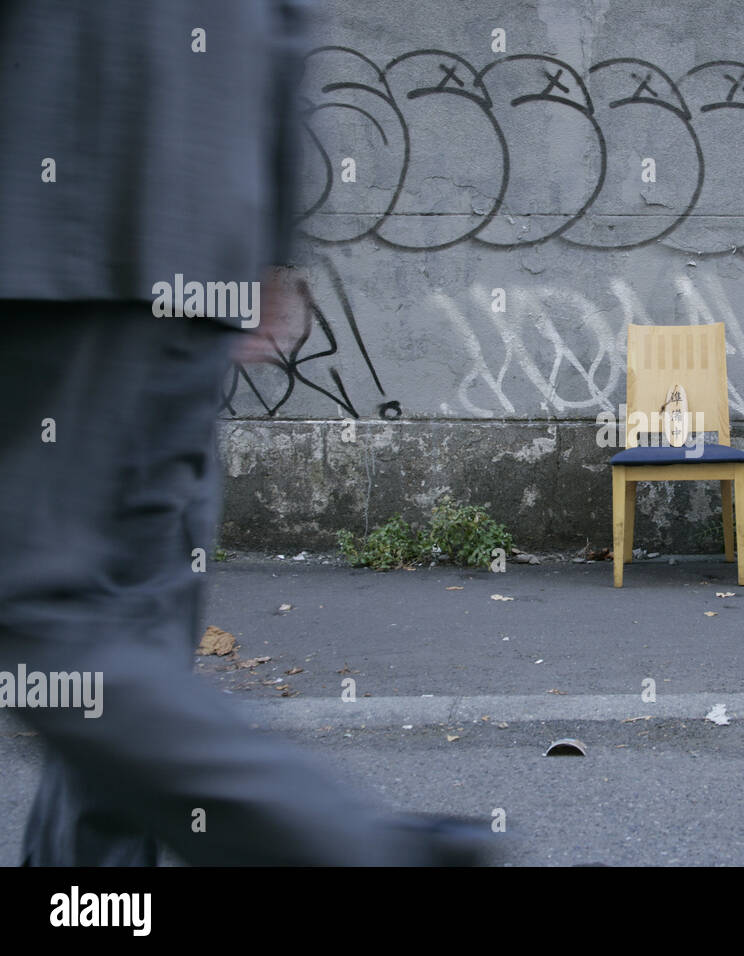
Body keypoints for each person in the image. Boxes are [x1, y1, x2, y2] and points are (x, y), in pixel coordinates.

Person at [0, 0, 486, 865]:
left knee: (41, 614)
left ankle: (350, 849)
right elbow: (282, 30)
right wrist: (261, 246)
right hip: (193, 241)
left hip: (57, 237)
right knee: (131, 629)